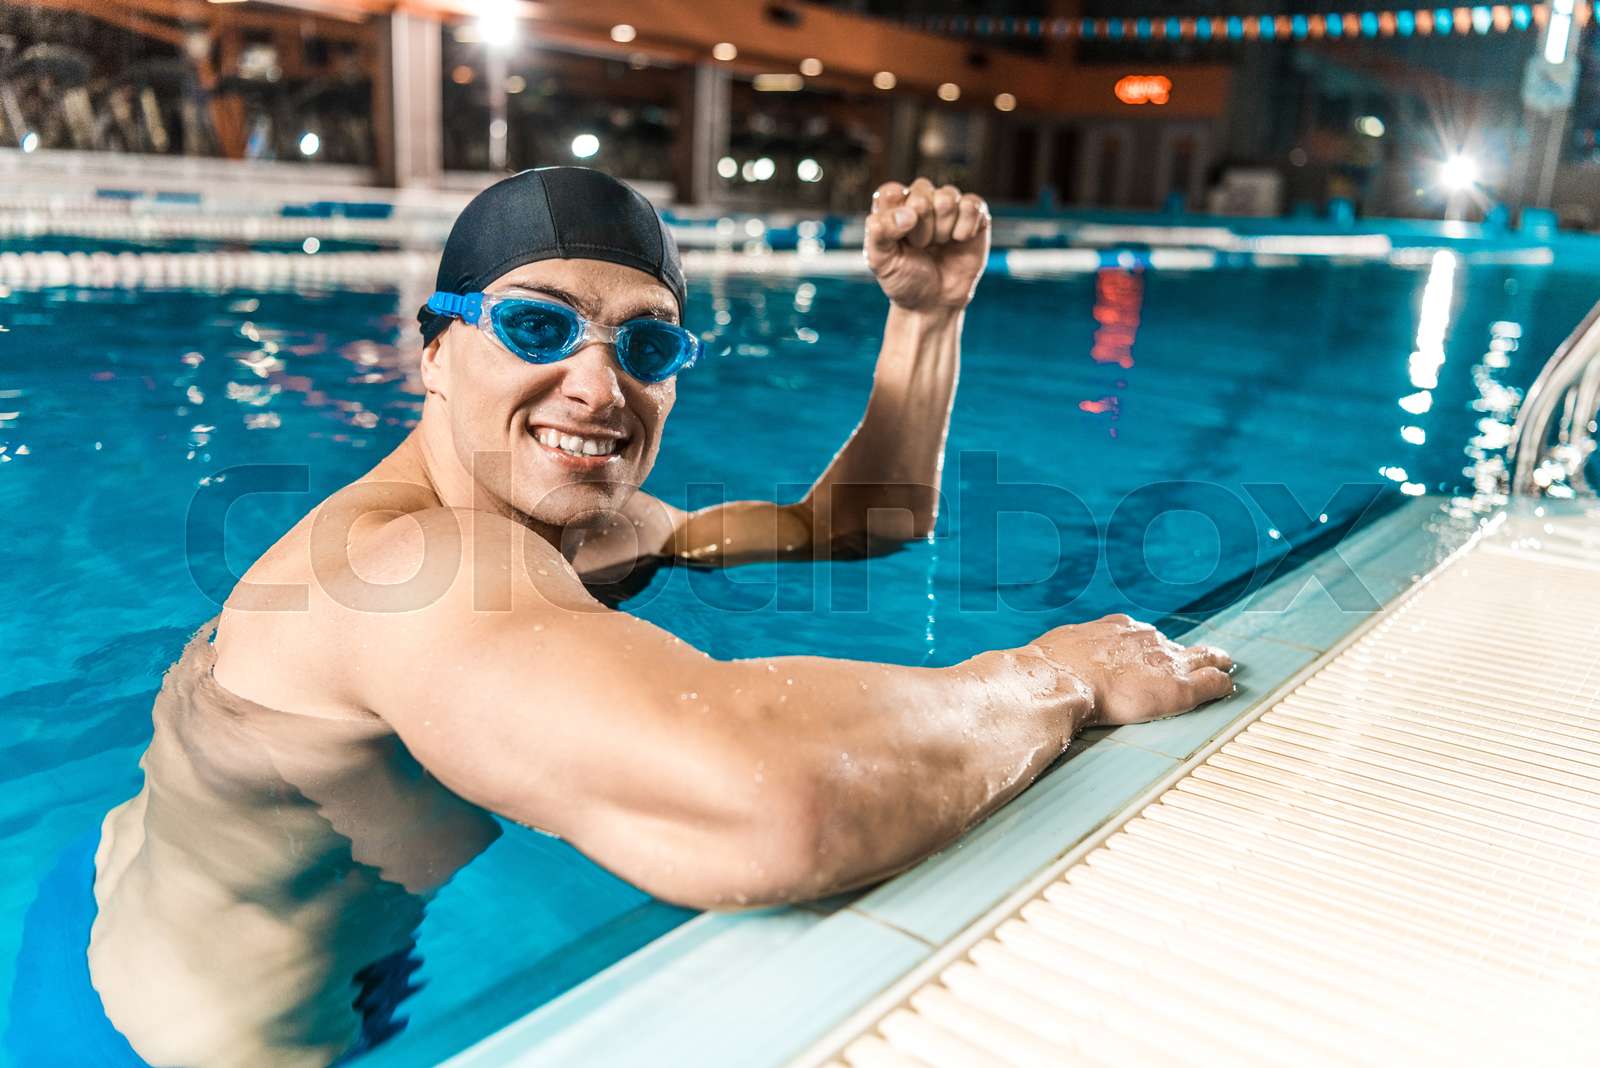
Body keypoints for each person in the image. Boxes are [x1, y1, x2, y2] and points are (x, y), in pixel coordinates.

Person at [33, 168, 1232, 1066]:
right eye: (538, 327)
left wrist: (925, 318)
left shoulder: (596, 532)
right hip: (196, 1039)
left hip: (236, 908)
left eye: (644, 344)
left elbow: (859, 524)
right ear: (437, 351)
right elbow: (774, 802)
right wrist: (1054, 679)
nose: (599, 387)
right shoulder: (412, 567)